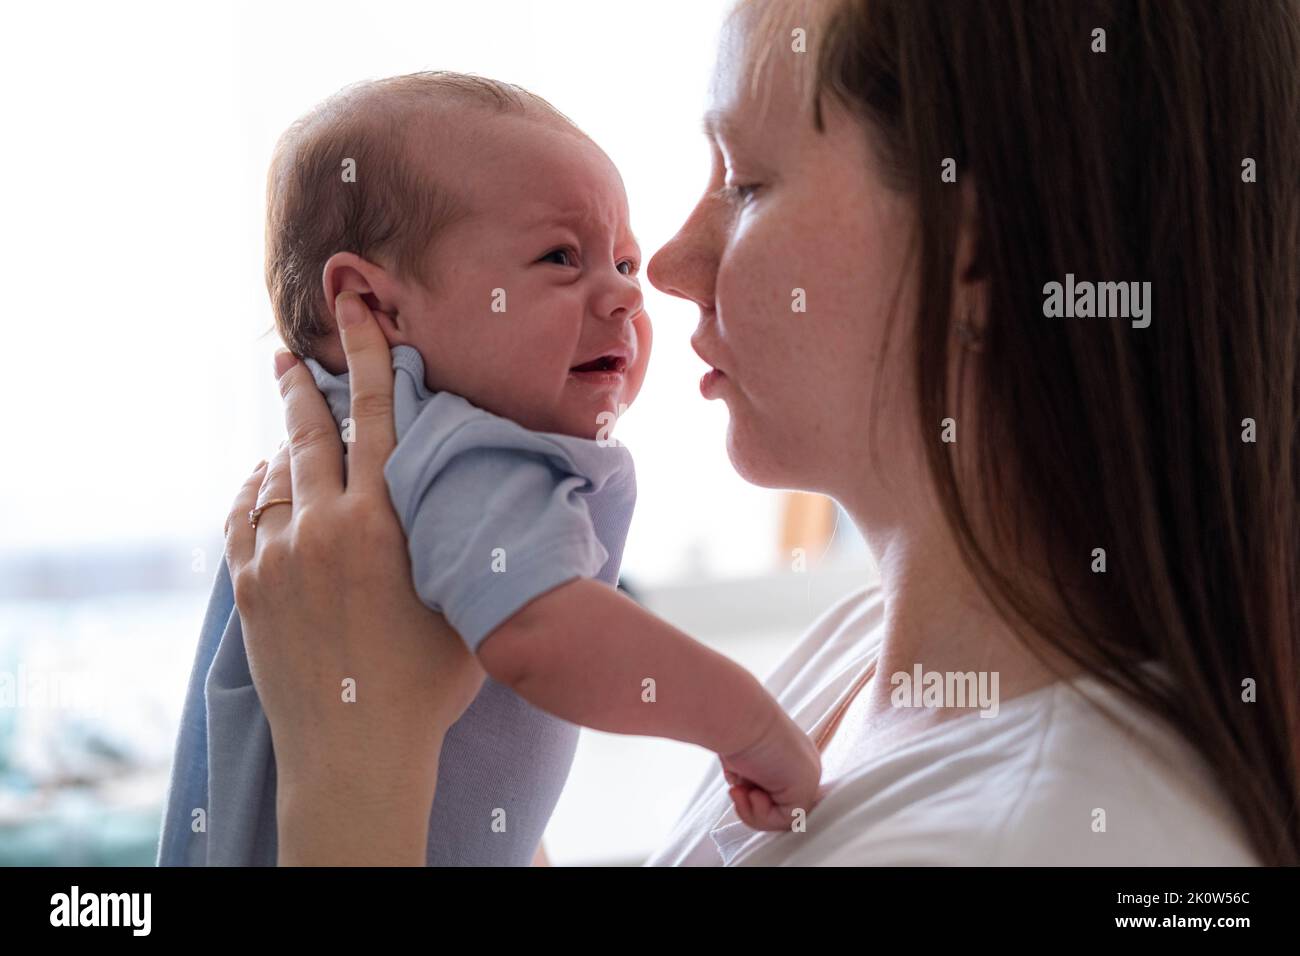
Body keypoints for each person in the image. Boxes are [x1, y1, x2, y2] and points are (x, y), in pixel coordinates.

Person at [219, 0, 1300, 865]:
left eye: (743, 181)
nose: (668, 273)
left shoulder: (1020, 833)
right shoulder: (853, 661)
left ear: (977, 253)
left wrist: (350, 771)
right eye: (561, 259)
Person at [158, 71, 817, 868]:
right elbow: (543, 635)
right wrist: (748, 722)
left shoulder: (370, 453)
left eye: (626, 262)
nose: (623, 298)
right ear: (372, 307)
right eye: (560, 257)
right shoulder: (455, 443)